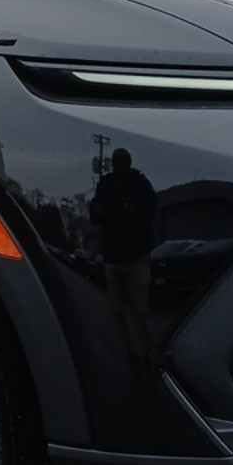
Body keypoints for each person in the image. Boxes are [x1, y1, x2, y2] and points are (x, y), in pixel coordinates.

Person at [90, 148, 160, 363]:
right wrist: (99, 209)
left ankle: (147, 352)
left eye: (123, 163)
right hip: (114, 256)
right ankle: (131, 352)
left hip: (135, 256)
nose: (119, 167)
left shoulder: (139, 182)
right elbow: (95, 212)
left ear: (128, 163)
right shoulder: (107, 184)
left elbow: (151, 205)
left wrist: (135, 211)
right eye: (117, 163)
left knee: (139, 311)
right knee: (118, 310)